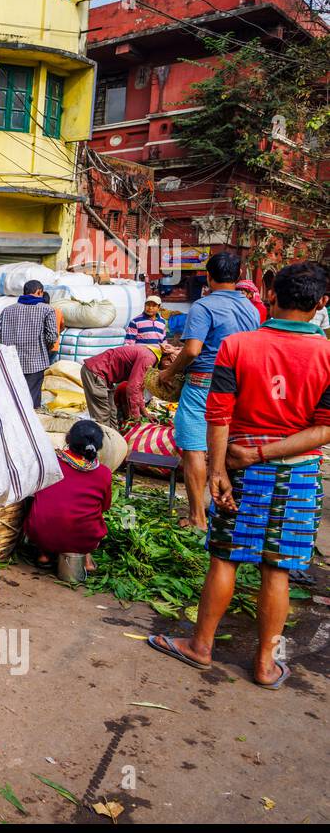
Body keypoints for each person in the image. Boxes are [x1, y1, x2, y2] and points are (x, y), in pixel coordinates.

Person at [148, 261, 330, 690]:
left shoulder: (238, 346)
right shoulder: (327, 354)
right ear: (322, 303)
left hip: (240, 471)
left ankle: (200, 646)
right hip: (298, 475)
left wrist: (220, 470)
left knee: (225, 557)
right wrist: (264, 452)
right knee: (277, 569)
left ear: (270, 295)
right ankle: (266, 664)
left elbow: (218, 415)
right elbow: (324, 428)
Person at [157, 253, 260, 530]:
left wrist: (169, 371)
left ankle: (196, 518)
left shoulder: (203, 306)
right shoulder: (251, 309)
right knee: (224, 446)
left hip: (203, 383)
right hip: (237, 386)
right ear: (238, 276)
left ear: (208, 276)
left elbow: (192, 350)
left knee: (194, 448)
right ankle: (223, 511)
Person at [24, 421, 113, 572]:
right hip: (82, 539)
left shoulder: (50, 462)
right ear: (98, 446)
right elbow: (105, 506)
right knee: (92, 517)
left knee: (36, 507)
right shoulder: (104, 473)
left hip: (41, 533)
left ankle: (44, 555)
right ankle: (86, 560)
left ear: (67, 439)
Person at [0, 278, 58, 408]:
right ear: (40, 292)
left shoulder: (7, 310)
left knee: (12, 397)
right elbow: (52, 337)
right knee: (31, 400)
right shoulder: (47, 310)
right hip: (35, 361)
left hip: (10, 361)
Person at [80, 342, 171, 430]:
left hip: (106, 378)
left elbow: (139, 389)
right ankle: (104, 443)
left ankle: (115, 441)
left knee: (112, 414)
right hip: (96, 372)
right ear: (167, 359)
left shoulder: (152, 358)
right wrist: (137, 418)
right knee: (102, 416)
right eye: (170, 367)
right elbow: (133, 388)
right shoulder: (148, 357)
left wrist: (145, 413)